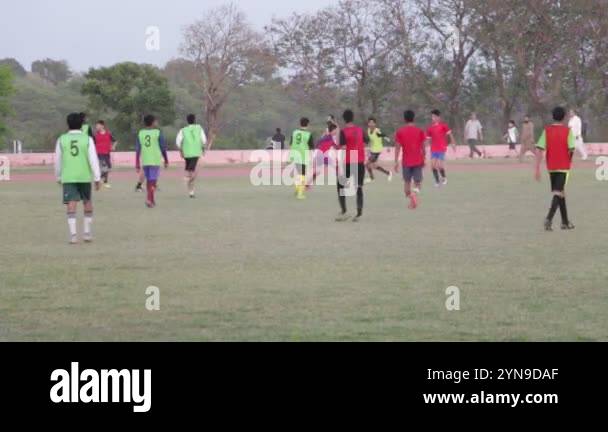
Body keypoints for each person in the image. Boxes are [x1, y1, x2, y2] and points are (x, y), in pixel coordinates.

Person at [54, 113, 101, 244]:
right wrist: (97, 177)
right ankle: (87, 233)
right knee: (87, 202)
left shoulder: (61, 139)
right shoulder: (87, 139)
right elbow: (93, 159)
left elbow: (57, 160)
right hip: (84, 176)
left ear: (68, 124)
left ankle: (73, 235)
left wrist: (58, 176)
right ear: (81, 124)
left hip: (68, 176)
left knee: (71, 203)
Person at [535, 106, 576, 231]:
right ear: (563, 117)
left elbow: (539, 149)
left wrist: (537, 168)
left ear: (553, 116)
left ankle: (565, 222)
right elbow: (571, 149)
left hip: (551, 166)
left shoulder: (546, 131)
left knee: (561, 192)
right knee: (558, 193)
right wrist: (569, 159)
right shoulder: (568, 131)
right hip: (563, 166)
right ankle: (549, 219)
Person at [336, 109, 368, 222]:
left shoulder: (343, 132)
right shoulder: (360, 130)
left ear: (344, 119)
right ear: (353, 118)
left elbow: (343, 147)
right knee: (359, 187)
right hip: (359, 160)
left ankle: (344, 211)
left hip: (350, 160)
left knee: (341, 185)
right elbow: (365, 143)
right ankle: (359, 214)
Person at [394, 110, 426, 210]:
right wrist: (424, 158)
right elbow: (423, 147)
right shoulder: (419, 131)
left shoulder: (400, 132)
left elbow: (398, 147)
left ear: (404, 119)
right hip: (417, 160)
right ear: (413, 118)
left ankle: (411, 198)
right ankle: (414, 195)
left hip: (406, 161)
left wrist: (396, 161)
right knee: (418, 183)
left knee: (407, 183)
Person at [136, 115, 169, 208]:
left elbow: (138, 149)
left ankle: (152, 200)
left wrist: (137, 163)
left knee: (149, 181)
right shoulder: (157, 132)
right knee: (153, 182)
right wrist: (166, 160)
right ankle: (149, 199)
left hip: (145, 160)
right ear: (153, 122)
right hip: (154, 160)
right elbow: (163, 148)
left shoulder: (141, 133)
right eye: (156, 121)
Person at [176, 114, 207, 198]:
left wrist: (181, 151)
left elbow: (178, 142)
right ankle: (187, 179)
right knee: (194, 172)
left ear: (187, 120)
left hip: (187, 153)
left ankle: (191, 192)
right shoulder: (199, 128)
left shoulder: (183, 130)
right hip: (196, 153)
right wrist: (203, 149)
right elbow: (204, 140)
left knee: (190, 172)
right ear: (195, 120)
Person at [426, 109, 456, 187]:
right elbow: (428, 139)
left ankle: (444, 177)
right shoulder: (430, 128)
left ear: (438, 117)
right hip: (433, 149)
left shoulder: (443, 126)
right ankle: (437, 181)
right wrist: (426, 147)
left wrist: (453, 143)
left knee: (439, 165)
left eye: (434, 116)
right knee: (432, 166)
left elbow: (450, 135)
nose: (433, 118)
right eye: (432, 117)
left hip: (441, 148)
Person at [289, 118, 314, 200]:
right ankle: (300, 193)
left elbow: (290, 144)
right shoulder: (308, 134)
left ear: (300, 124)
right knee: (302, 175)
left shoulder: (294, 132)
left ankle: (297, 189)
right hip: (303, 156)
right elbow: (311, 147)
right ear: (308, 124)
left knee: (299, 174)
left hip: (295, 155)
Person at [365, 117, 393, 183]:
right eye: (370, 123)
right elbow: (370, 140)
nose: (371, 124)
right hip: (373, 150)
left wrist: (387, 138)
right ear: (368, 124)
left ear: (375, 124)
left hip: (377, 150)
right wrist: (368, 147)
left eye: (372, 123)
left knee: (367, 164)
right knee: (374, 166)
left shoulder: (376, 131)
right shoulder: (368, 130)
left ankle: (372, 178)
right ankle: (388, 173)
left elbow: (382, 135)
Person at [94, 120, 117, 188]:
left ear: (102, 126)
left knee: (108, 168)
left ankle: (103, 181)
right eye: (96, 125)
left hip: (107, 153)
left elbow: (115, 141)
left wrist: (113, 146)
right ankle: (102, 181)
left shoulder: (108, 134)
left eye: (97, 125)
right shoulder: (95, 135)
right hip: (99, 153)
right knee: (103, 167)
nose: (96, 127)